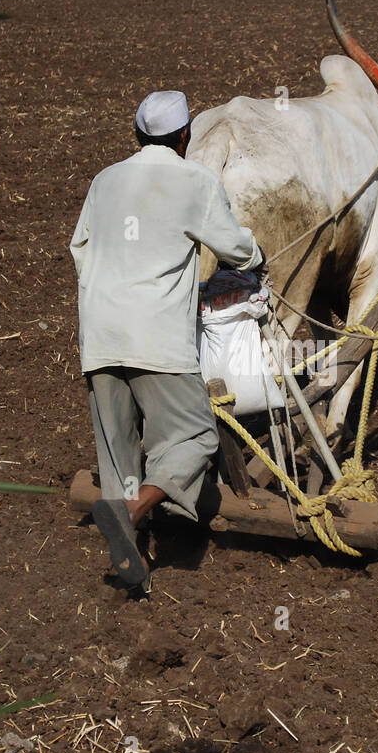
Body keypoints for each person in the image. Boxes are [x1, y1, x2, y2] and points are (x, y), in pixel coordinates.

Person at [69, 90, 263, 587]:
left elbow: (80, 248)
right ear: (184, 136)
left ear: (137, 135)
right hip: (155, 337)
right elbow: (231, 245)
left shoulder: (104, 180)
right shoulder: (194, 179)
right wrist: (255, 252)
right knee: (195, 434)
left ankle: (128, 559)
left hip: (100, 335)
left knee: (117, 451)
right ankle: (133, 512)